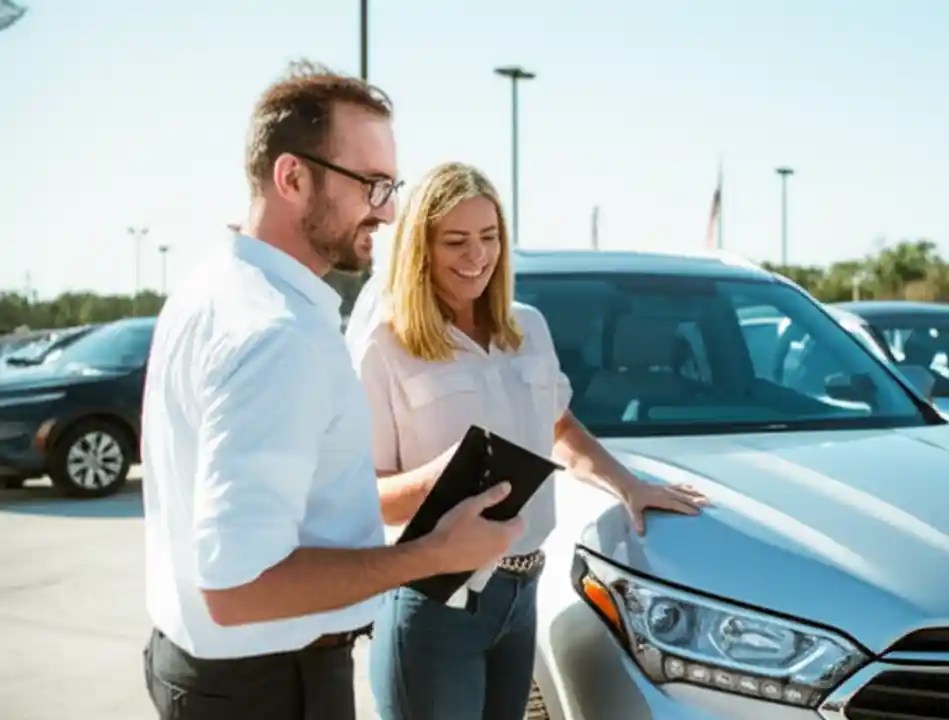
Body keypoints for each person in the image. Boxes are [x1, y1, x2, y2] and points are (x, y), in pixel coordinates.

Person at [140, 62, 525, 720]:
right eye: (373, 185)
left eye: (392, 185)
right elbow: (239, 588)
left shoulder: (214, 289)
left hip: (207, 673)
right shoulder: (275, 334)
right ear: (293, 177)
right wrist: (432, 554)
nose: (392, 210)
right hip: (269, 688)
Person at [349, 162, 710, 720]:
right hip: (433, 598)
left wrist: (630, 486)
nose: (477, 257)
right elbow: (360, 495)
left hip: (521, 594)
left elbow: (560, 427)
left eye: (489, 238)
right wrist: (442, 474)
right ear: (419, 247)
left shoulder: (527, 329)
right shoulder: (387, 346)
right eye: (457, 241)